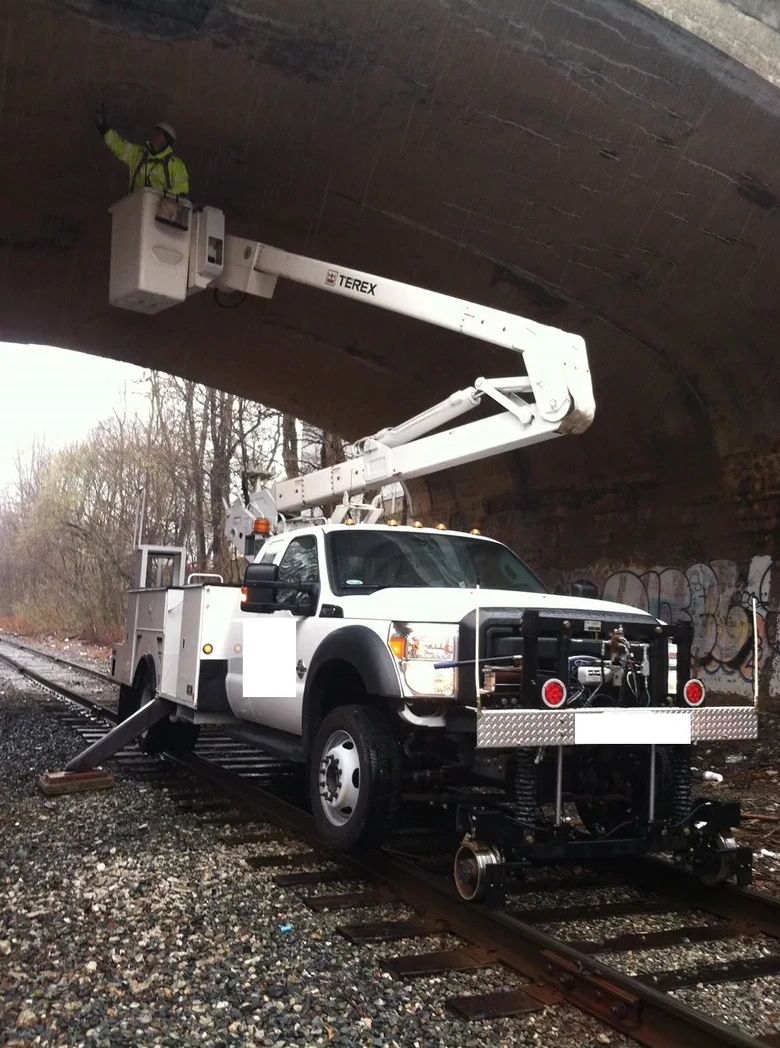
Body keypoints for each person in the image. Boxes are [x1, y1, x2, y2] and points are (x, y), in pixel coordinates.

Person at [95, 106, 189, 197]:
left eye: (161, 135)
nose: (156, 137)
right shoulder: (138, 154)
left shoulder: (175, 165)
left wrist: (159, 197)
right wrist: (104, 130)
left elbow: (181, 190)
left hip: (160, 205)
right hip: (136, 203)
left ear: (167, 143)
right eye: (156, 133)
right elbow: (120, 146)